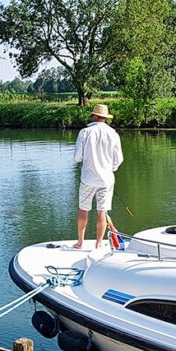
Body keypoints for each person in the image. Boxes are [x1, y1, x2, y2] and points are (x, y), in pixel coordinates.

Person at [73, 104, 123, 249]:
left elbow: (77, 157)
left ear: (94, 116)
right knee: (102, 211)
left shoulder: (84, 132)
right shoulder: (113, 133)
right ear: (105, 118)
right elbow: (118, 159)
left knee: (83, 209)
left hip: (88, 178)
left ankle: (80, 242)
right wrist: (110, 169)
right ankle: (99, 244)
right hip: (106, 179)